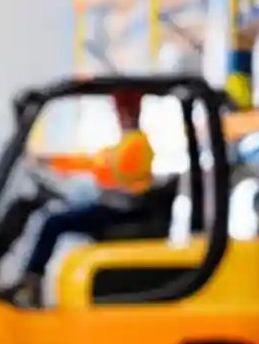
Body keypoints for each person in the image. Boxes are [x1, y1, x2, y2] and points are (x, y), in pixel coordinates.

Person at [12, 90, 156, 307]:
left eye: (119, 110)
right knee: (56, 215)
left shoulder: (135, 144)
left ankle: (31, 282)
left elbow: (103, 169)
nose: (117, 114)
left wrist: (65, 172)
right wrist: (52, 163)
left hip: (120, 212)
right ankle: (31, 282)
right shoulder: (130, 141)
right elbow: (94, 162)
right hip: (116, 206)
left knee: (53, 223)